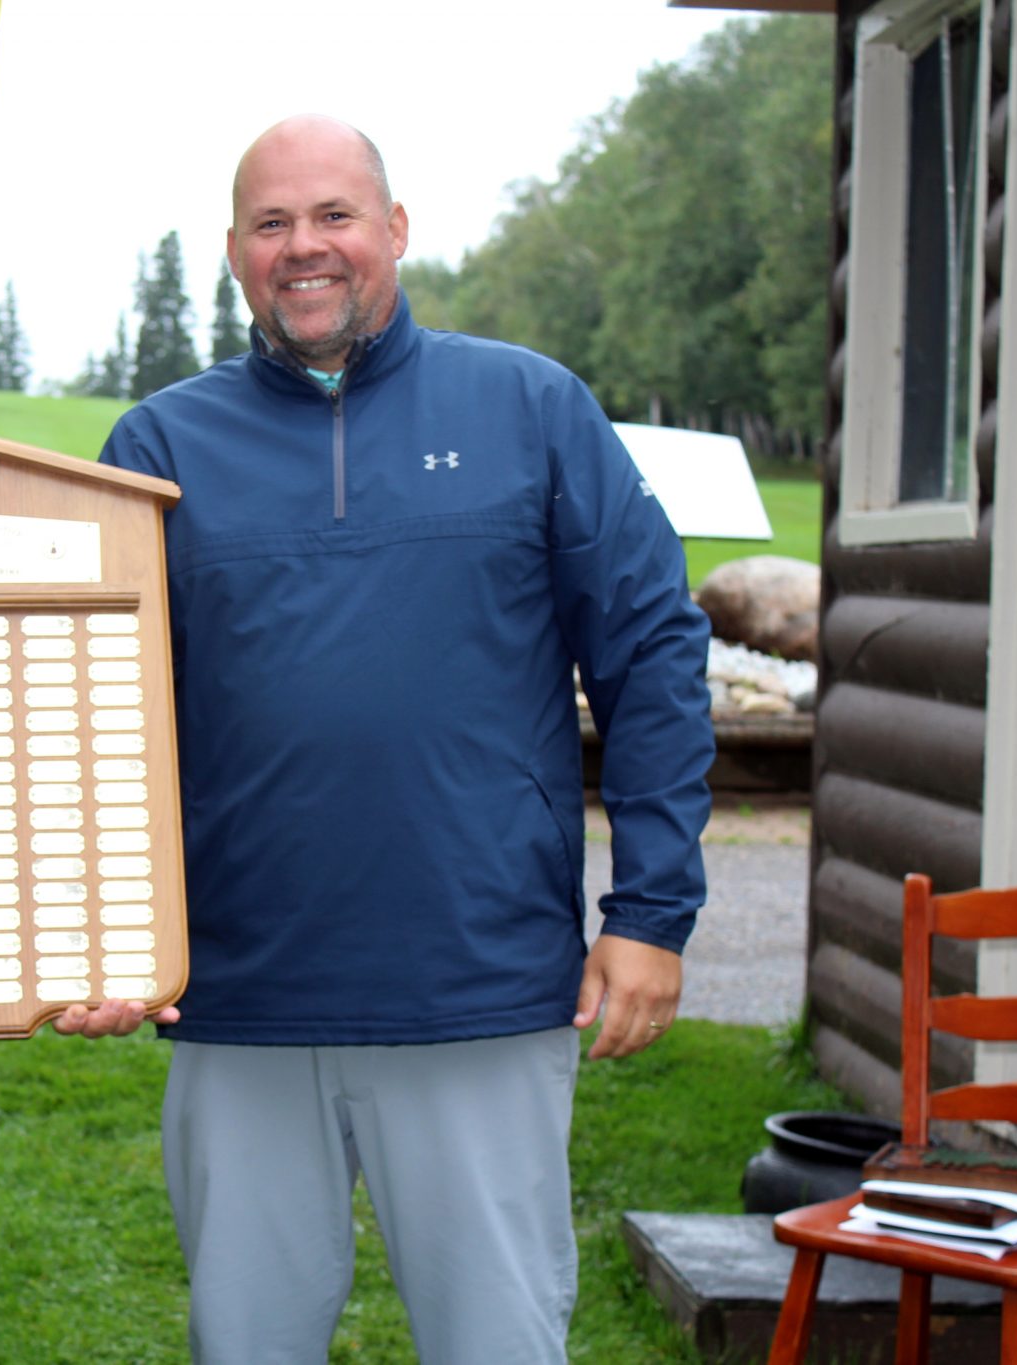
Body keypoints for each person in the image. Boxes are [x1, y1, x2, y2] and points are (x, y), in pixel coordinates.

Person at [96, 116, 714, 1362]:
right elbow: (94, 719)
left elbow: (651, 653)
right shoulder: (157, 450)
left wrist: (651, 913)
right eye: (271, 223)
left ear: (393, 230)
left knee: (497, 1342)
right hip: (240, 997)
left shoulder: (530, 408)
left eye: (333, 215)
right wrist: (92, 932)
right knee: (243, 1343)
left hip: (475, 988)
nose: (303, 247)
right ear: (232, 251)